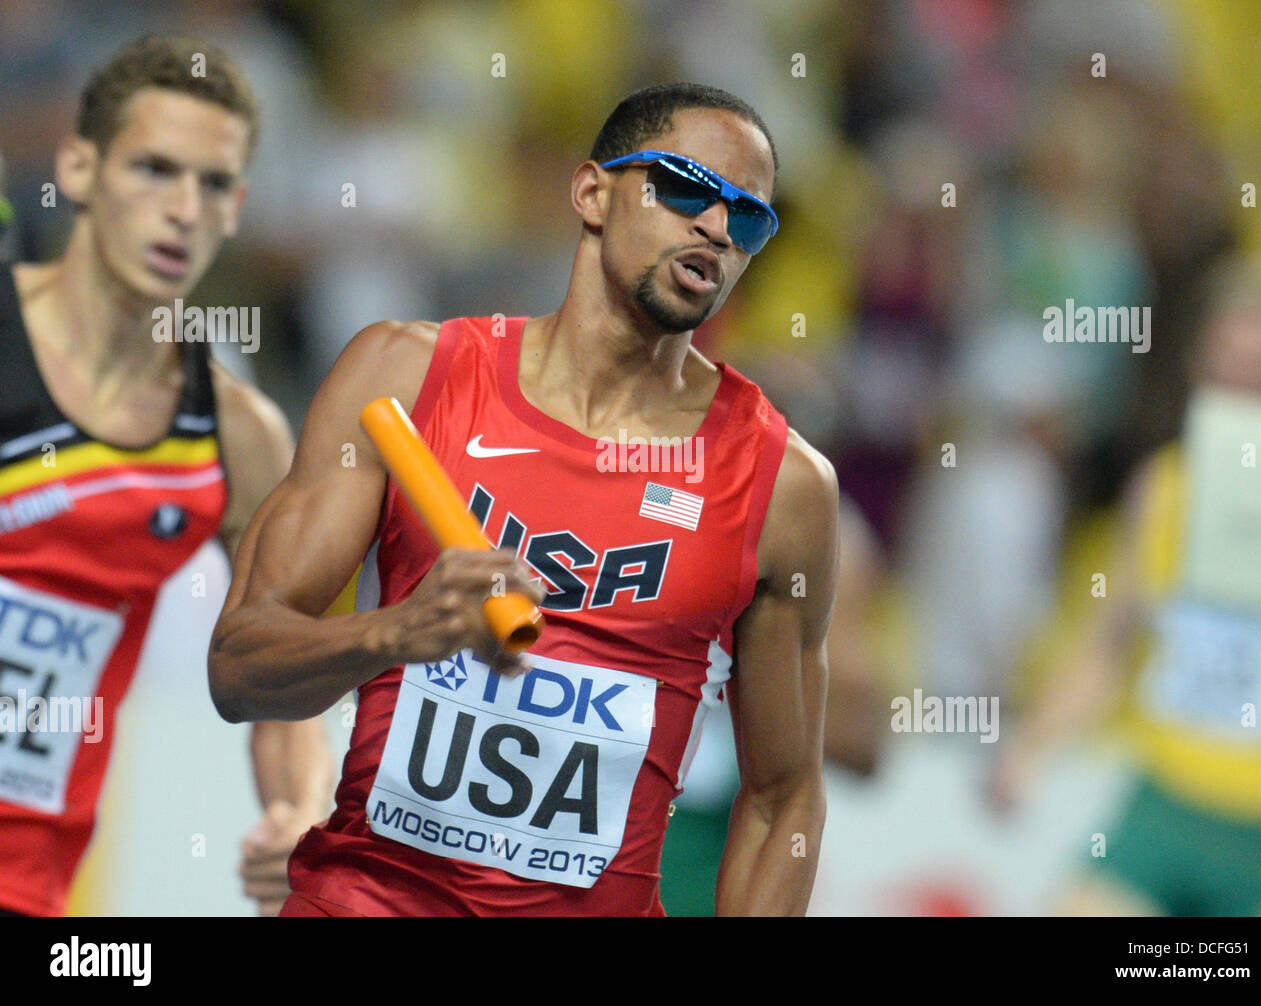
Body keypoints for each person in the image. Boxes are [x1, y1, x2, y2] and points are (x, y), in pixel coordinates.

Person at [208, 82, 839, 917]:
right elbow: (239, 668)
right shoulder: (405, 377)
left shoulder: (783, 486)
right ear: (591, 192)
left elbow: (783, 797)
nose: (717, 229)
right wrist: (396, 632)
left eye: (748, 218)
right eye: (686, 188)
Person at [0, 33, 331, 918]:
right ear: (77, 167)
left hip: (33, 885)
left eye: (213, 183)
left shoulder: (236, 435)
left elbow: (279, 664)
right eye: (154, 169)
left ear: (240, 204)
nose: (184, 207)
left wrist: (297, 810)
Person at [991, 257, 1261, 915]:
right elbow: (1109, 645)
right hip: (1164, 801)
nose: (1244, 390)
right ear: (1199, 368)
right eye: (1230, 370)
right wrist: (1032, 745)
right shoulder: (1163, 490)